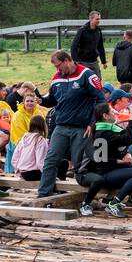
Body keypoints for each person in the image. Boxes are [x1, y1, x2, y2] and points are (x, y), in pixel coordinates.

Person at [36, 50, 103, 198]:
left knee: (79, 164)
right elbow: (53, 100)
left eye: (58, 66)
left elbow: (100, 100)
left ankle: (90, 193)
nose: (57, 70)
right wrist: (42, 101)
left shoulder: (87, 74)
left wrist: (93, 122)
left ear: (67, 60)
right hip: (61, 126)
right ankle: (43, 193)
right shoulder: (57, 78)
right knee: (51, 159)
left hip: (81, 127)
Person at [77, 102, 132, 218]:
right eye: (112, 112)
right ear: (105, 116)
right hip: (103, 172)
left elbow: (122, 142)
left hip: (115, 168)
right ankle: (114, 203)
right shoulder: (101, 133)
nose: (115, 113)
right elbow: (125, 140)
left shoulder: (110, 128)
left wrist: (126, 154)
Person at [7, 90, 47, 173]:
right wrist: (34, 143)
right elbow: (21, 136)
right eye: (27, 101)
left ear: (35, 103)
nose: (29, 103)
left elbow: (43, 129)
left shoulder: (39, 113)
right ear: (23, 102)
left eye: (32, 101)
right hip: (20, 142)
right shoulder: (18, 115)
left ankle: (39, 169)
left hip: (36, 141)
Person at [14, 114, 53, 181]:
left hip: (23, 173)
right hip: (34, 173)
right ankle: (58, 189)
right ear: (43, 125)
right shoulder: (40, 140)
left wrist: (18, 172)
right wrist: (48, 176)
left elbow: (15, 158)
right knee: (63, 163)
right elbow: (40, 161)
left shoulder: (23, 138)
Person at [71, 11, 106, 76]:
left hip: (94, 61)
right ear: (91, 19)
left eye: (99, 19)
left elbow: (100, 47)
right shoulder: (82, 30)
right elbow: (74, 46)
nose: (98, 21)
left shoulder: (98, 31)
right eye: (97, 19)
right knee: (85, 80)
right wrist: (75, 60)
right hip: (83, 61)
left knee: (97, 80)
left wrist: (103, 61)